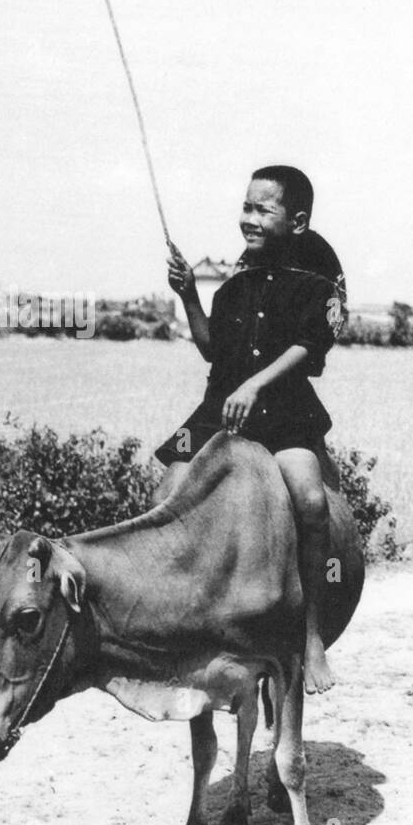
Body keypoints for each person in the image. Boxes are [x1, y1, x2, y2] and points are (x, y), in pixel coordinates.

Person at [157, 164, 346, 694]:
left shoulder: (312, 285)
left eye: (264, 209)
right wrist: (189, 294)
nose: (250, 218)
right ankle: (179, 617)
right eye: (247, 207)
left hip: (284, 413)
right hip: (221, 409)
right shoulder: (232, 287)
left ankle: (310, 636)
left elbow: (309, 346)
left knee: (309, 500)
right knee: (167, 485)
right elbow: (214, 350)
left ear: (298, 220)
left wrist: (256, 385)